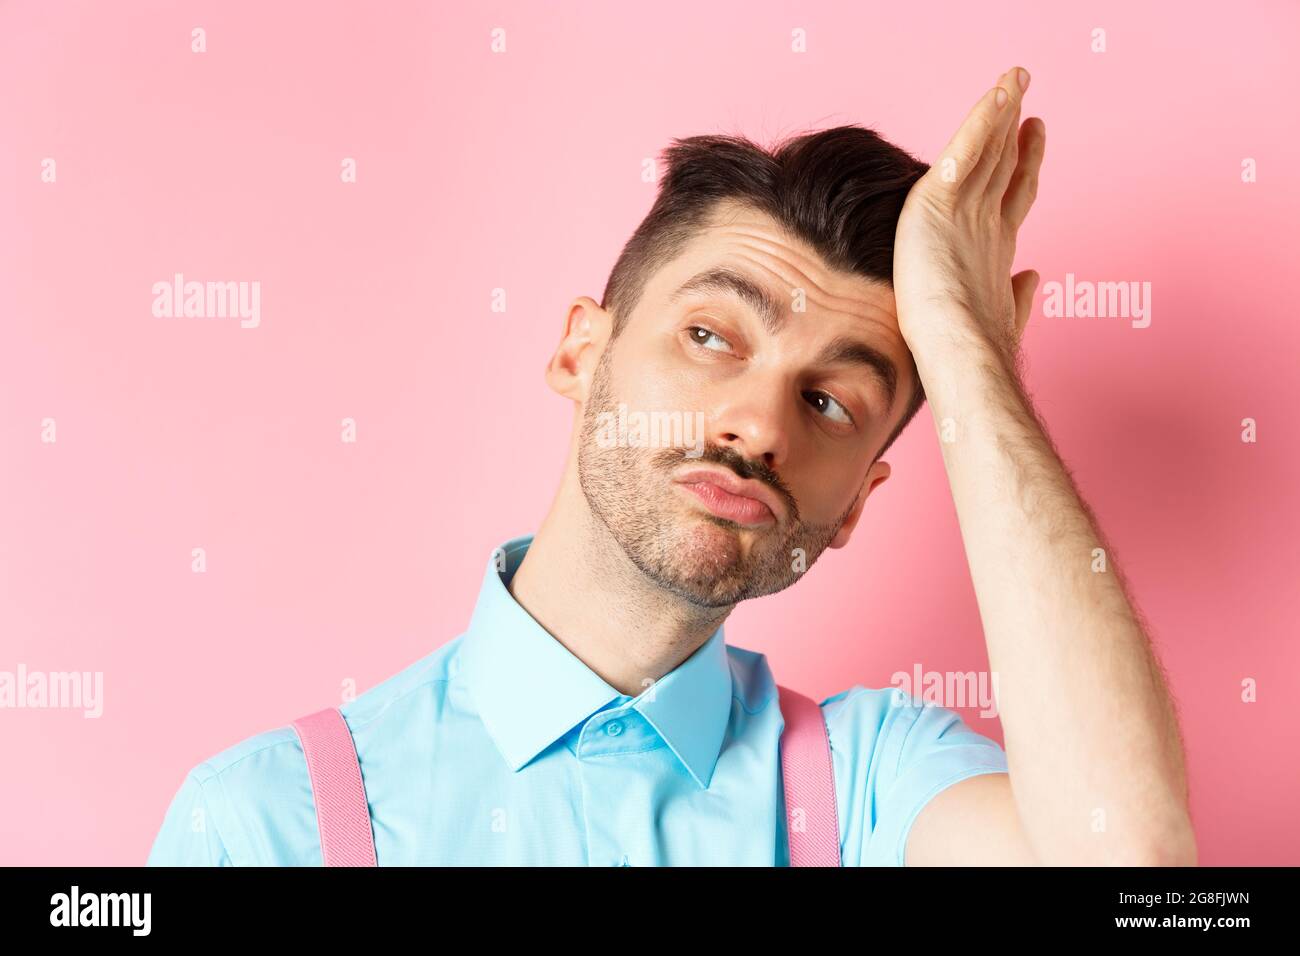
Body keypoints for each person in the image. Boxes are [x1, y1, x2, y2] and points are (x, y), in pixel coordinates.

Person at [147, 66, 1195, 866]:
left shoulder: (873, 781)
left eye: (831, 400)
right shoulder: (268, 816)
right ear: (579, 353)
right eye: (710, 337)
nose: (755, 426)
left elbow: (1134, 878)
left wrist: (967, 357)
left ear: (854, 505)